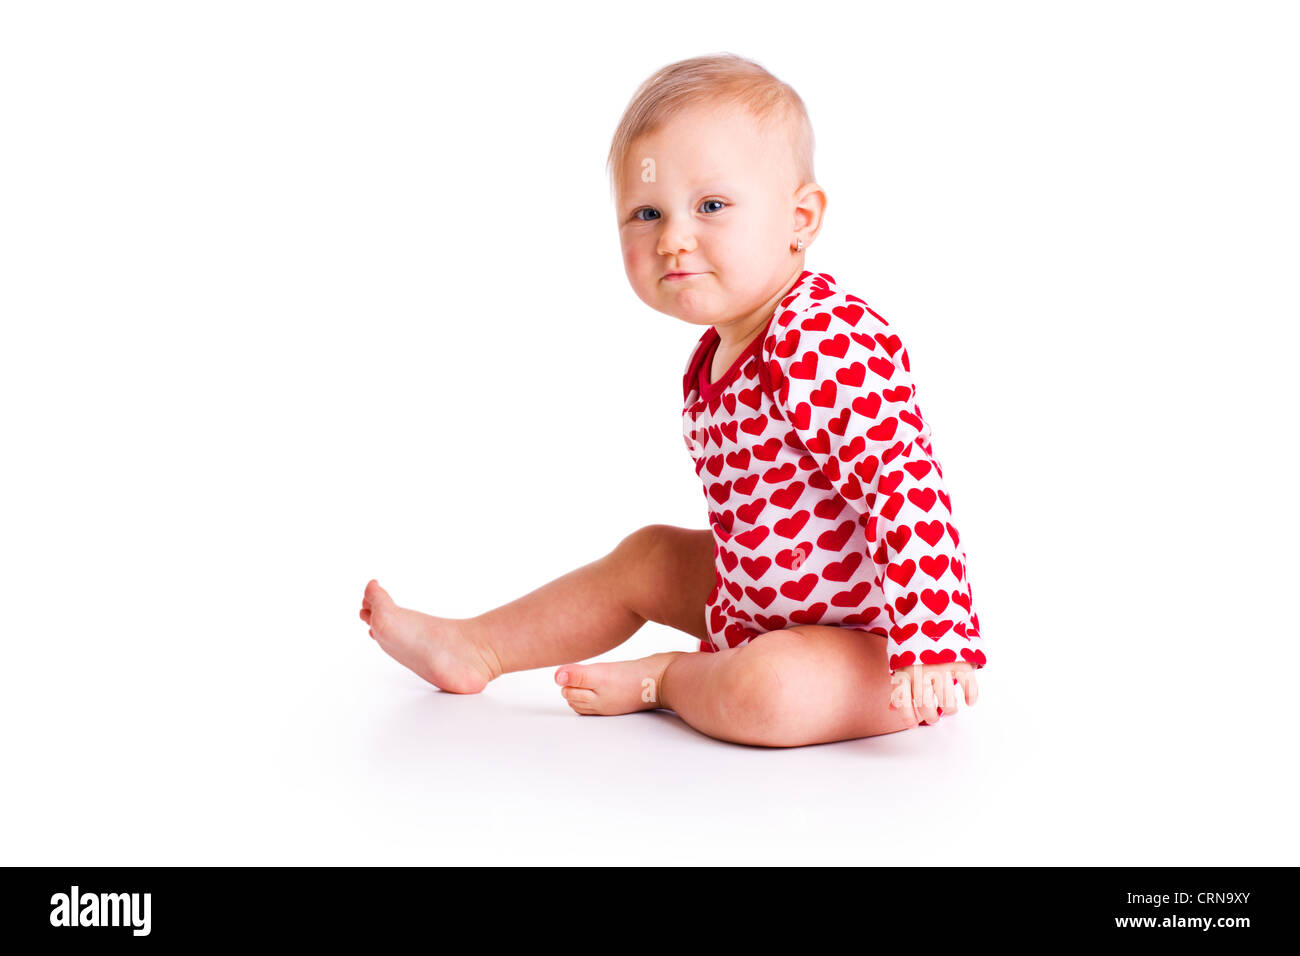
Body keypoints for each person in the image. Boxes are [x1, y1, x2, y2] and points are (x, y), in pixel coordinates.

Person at [359, 53, 985, 747]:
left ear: (800, 219)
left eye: (711, 205)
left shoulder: (819, 335)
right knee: (649, 558)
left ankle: (672, 678)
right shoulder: (714, 356)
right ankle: (478, 646)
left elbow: (904, 483)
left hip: (870, 638)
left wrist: (934, 638)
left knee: (770, 693)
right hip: (755, 600)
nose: (673, 238)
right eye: (646, 212)